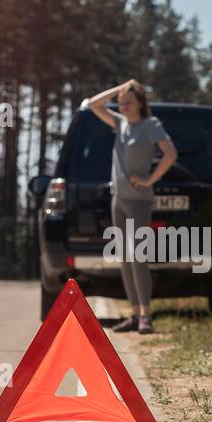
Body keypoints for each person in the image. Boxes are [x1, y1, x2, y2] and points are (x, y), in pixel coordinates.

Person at [85, 79, 177, 334]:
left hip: (138, 200)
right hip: (119, 199)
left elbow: (170, 154)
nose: (123, 106)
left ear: (140, 104)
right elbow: (93, 104)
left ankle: (146, 315)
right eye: (121, 102)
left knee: (138, 258)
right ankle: (134, 315)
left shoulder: (151, 125)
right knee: (125, 259)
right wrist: (120, 88)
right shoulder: (119, 123)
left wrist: (150, 179)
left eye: (128, 102)